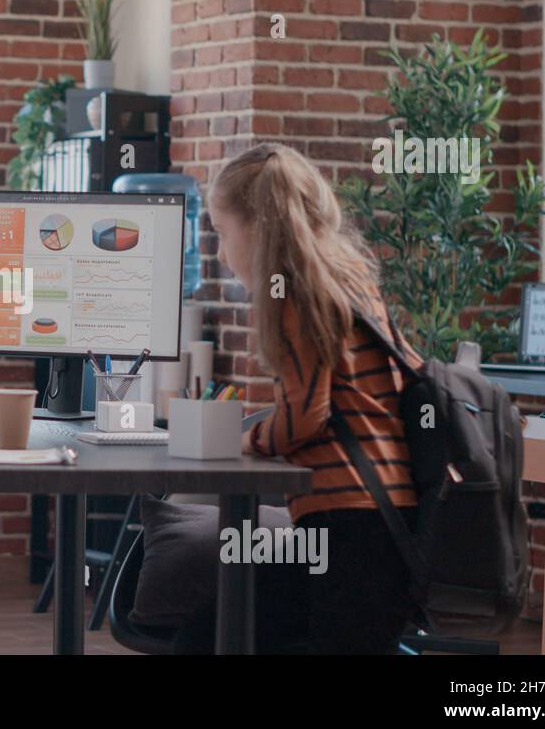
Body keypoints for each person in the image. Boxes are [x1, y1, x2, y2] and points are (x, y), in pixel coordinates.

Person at [179, 142, 421, 654]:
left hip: (352, 528)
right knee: (219, 629)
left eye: (223, 233)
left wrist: (252, 437)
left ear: (259, 227)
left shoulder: (295, 292)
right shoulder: (348, 278)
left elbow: (306, 418)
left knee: (211, 635)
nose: (221, 253)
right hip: (387, 520)